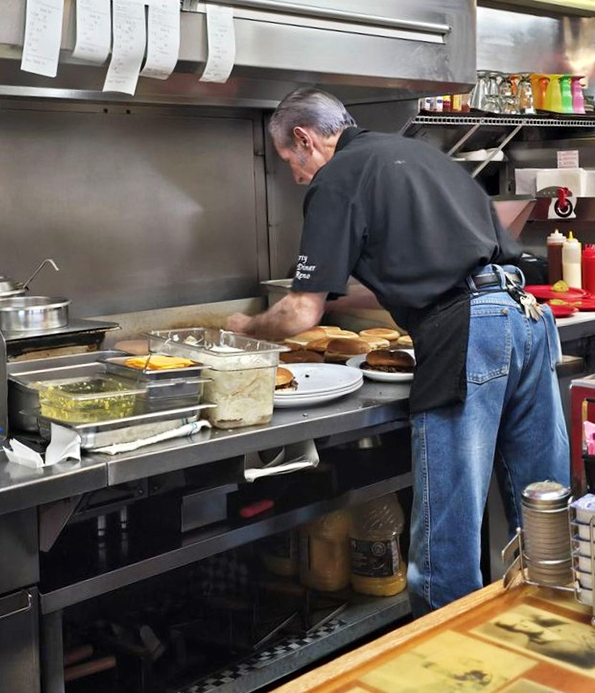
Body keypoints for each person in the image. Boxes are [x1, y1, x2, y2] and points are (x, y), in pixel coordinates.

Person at [226, 87, 570, 616]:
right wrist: (335, 296)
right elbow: (434, 271)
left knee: (445, 543)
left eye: (289, 160)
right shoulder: (420, 155)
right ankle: (551, 636)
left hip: (469, 334)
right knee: (544, 511)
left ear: (304, 138)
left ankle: (446, 656)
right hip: (525, 317)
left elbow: (300, 312)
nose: (295, 176)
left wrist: (246, 328)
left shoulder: (336, 177)